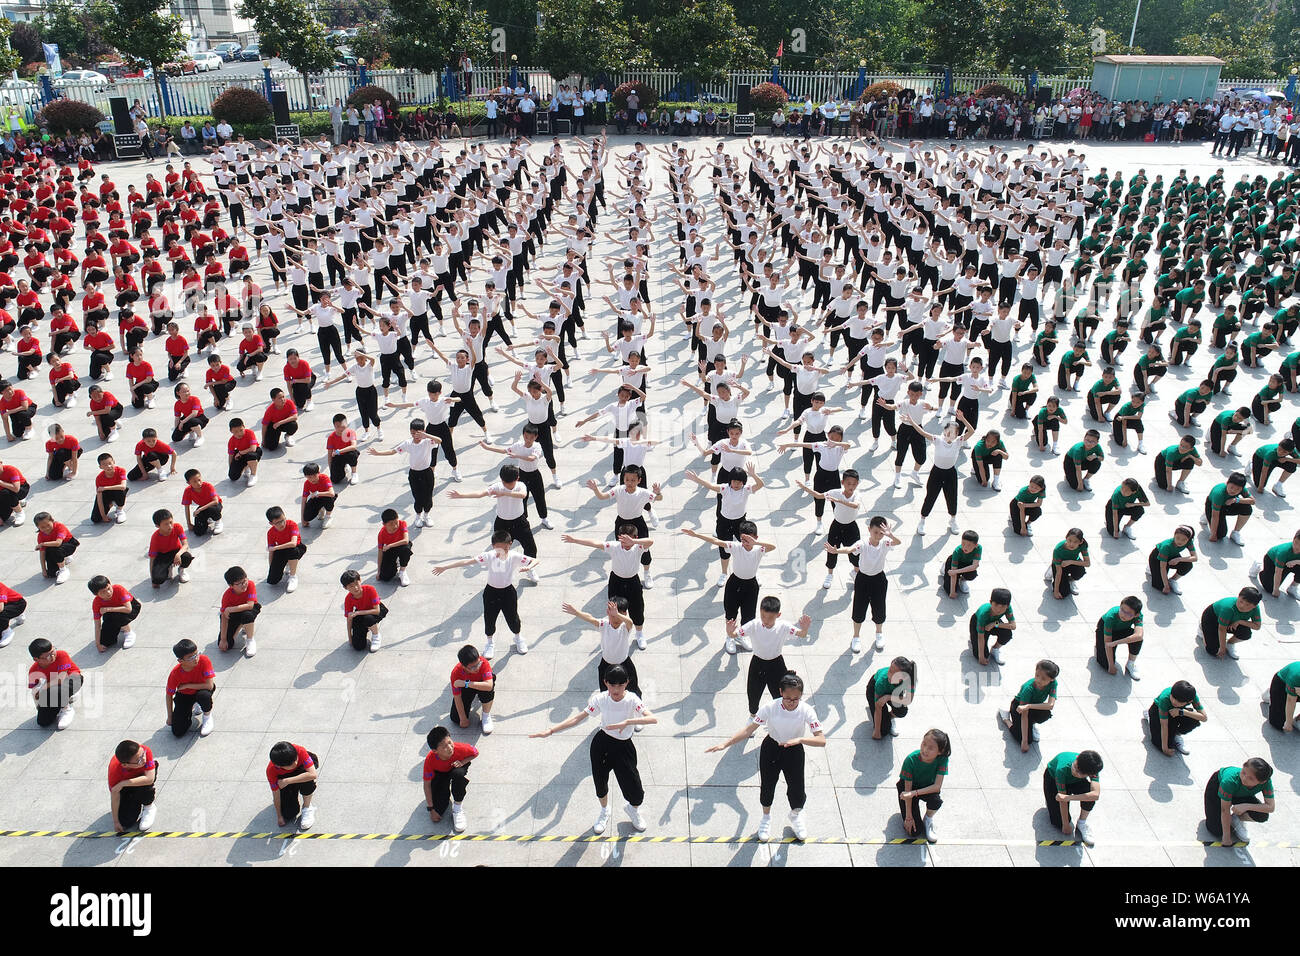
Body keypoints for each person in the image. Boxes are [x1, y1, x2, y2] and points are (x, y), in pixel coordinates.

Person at [529, 664, 657, 835]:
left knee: (636, 791)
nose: (616, 689)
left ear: (627, 683)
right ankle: (604, 811)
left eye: (620, 685)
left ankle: (632, 810)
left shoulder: (632, 699)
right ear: (605, 683)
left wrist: (628, 722)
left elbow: (653, 719)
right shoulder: (600, 699)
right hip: (602, 745)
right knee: (600, 784)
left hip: (624, 747)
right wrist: (551, 731)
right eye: (612, 685)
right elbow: (578, 718)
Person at [433, 530, 539, 658]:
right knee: (489, 619)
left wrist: (529, 567)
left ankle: (518, 638)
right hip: (491, 593)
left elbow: (535, 560)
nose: (502, 551)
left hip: (508, 592)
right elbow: (467, 562)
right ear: (493, 546)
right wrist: (445, 567)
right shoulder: (488, 556)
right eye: (499, 548)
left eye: (505, 548)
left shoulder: (514, 556)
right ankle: (490, 643)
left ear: (510, 544)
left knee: (513, 618)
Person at [827, 515, 901, 653]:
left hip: (879, 579)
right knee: (859, 609)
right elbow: (849, 549)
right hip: (863, 579)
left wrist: (890, 535)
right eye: (875, 532)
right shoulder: (863, 543)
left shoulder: (885, 542)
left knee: (879, 607)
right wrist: (836, 551)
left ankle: (879, 633)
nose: (878, 535)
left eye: (881, 533)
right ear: (869, 530)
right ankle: (856, 637)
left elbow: (898, 542)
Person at [562, 597, 642, 700]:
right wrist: (576, 612)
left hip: (624, 664)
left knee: (633, 690)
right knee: (606, 693)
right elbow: (590, 618)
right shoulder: (604, 625)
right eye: (612, 614)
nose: (615, 618)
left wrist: (616, 614)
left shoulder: (625, 627)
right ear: (607, 612)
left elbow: (630, 622)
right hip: (606, 665)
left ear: (624, 614)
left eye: (618, 615)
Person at [367, 419, 441, 527]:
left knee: (428, 496)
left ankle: (427, 515)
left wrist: (426, 435)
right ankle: (418, 516)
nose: (415, 435)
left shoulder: (428, 442)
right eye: (412, 433)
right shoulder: (408, 443)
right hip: (414, 474)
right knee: (418, 497)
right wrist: (378, 453)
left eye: (417, 433)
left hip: (427, 473)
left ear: (423, 431)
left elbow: (439, 440)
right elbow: (393, 451)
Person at [897, 728, 950, 843]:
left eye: (931, 748)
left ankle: (928, 819)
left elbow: (937, 787)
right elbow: (907, 793)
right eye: (924, 744)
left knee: (936, 801)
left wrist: (915, 793)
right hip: (908, 789)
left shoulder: (942, 759)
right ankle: (911, 814)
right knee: (914, 832)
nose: (925, 749)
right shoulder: (910, 760)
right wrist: (908, 817)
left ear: (940, 751)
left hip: (925, 788)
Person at [1205, 758, 1274, 845]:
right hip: (1218, 787)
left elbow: (1270, 807)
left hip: (1241, 794)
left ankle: (1236, 818)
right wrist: (1226, 837)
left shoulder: (1266, 782)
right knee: (1217, 831)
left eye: (1251, 778)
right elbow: (1224, 810)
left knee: (1262, 815)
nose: (1244, 778)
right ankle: (1227, 821)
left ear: (1262, 782)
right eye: (1243, 773)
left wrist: (1246, 806)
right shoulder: (1229, 781)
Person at [423, 726, 477, 833]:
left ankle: (457, 807)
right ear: (435, 751)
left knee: (458, 775)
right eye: (444, 747)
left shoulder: (461, 748)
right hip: (441, 772)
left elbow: (475, 753)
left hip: (456, 767)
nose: (450, 747)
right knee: (438, 813)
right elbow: (427, 784)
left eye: (449, 742)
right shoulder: (430, 760)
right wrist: (431, 809)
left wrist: (463, 762)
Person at [999, 659, 1059, 753]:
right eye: (1037, 675)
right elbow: (1024, 715)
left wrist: (1029, 706)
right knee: (1023, 738)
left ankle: (1031, 725)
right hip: (1018, 708)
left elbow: (1050, 705)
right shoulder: (1028, 688)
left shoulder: (1053, 683)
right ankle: (1006, 719)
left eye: (1043, 678)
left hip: (1030, 706)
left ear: (1052, 679)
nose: (1038, 680)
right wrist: (1024, 741)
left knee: (1046, 714)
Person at [1044, 750, 1102, 844]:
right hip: (1053, 779)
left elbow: (1095, 795)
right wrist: (1065, 824)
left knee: (1089, 794)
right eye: (1075, 767)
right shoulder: (1062, 769)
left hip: (1075, 782)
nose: (1075, 772)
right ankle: (1049, 798)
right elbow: (1061, 799)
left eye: (1080, 773)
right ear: (1077, 759)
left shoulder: (1092, 768)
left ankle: (1082, 823)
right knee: (1058, 822)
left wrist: (1069, 798)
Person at [27, 637, 81, 730]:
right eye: (48, 656)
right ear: (36, 659)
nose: (53, 656)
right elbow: (34, 691)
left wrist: (43, 689)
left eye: (53, 651)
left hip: (72, 679)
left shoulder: (61, 655)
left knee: (56, 689)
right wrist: (40, 707)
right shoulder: (33, 670)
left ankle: (67, 708)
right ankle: (59, 704)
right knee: (43, 722)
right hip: (52, 687)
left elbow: (60, 680)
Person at [165, 638, 214, 738]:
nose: (196, 659)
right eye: (191, 657)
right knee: (178, 732)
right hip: (185, 695)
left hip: (202, 690)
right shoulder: (175, 673)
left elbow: (209, 685)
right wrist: (170, 717)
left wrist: (187, 685)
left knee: (204, 696)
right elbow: (169, 695)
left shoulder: (204, 660)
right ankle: (191, 709)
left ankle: (207, 716)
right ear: (180, 661)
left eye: (196, 654)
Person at [267, 741, 320, 831]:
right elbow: (276, 795)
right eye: (291, 764)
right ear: (279, 766)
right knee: (289, 814)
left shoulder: (300, 750)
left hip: (296, 774)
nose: (295, 763)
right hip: (283, 779)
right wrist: (279, 816)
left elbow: (313, 774)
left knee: (308, 780)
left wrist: (287, 781)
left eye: (295, 758)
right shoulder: (271, 770)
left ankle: (307, 807)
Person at [108, 740, 158, 833]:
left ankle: (149, 806)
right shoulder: (115, 772)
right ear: (125, 765)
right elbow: (115, 796)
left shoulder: (145, 751)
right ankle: (134, 801)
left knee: (145, 784)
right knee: (125, 822)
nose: (144, 759)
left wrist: (123, 783)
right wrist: (116, 821)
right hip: (125, 788)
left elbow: (150, 778)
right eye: (139, 760)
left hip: (139, 781)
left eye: (143, 754)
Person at [1199, 586, 1261, 659]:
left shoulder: (1255, 609)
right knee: (1213, 651)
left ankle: (1230, 643)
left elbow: (1257, 626)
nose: (1242, 606)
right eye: (1241, 601)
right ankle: (1202, 627)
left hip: (1232, 622)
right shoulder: (1228, 608)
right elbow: (1222, 629)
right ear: (1238, 597)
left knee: (1245, 634)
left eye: (1247, 605)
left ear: (1254, 606)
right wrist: (1222, 648)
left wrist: (1239, 621)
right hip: (1212, 619)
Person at [1148, 679, 1207, 755]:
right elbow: (1164, 725)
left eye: (1180, 701)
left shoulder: (1192, 697)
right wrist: (1165, 748)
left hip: (1177, 712)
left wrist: (1182, 712)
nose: (1174, 702)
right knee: (1159, 743)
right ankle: (1150, 718)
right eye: (1173, 697)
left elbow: (1204, 718)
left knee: (1194, 720)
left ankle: (1176, 734)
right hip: (1158, 710)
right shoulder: (1165, 698)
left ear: (1189, 701)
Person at [867, 655, 916, 740]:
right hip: (874, 688)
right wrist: (877, 731)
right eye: (890, 670)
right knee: (883, 731)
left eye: (894, 674)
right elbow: (878, 707)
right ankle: (883, 718)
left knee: (902, 711)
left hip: (892, 693)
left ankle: (889, 717)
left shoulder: (909, 680)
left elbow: (908, 700)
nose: (890, 675)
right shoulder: (881, 681)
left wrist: (888, 697)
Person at [1095, 596, 1144, 678]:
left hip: (1123, 629)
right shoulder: (1110, 616)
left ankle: (1130, 663)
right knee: (1105, 664)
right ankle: (1098, 646)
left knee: (1137, 639)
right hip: (1106, 630)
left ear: (1136, 615)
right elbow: (1108, 643)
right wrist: (1111, 665)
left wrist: (1116, 642)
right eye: (1122, 610)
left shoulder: (1139, 616)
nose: (1123, 614)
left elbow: (1139, 636)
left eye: (1129, 613)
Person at [88, 574, 139, 652]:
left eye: (108, 588)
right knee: (104, 642)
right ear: (96, 594)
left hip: (131, 607)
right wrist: (98, 644)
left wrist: (108, 609)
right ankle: (120, 627)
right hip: (111, 613)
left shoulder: (118, 589)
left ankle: (128, 632)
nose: (108, 592)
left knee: (118, 616)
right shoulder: (96, 603)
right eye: (103, 592)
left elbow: (128, 609)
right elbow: (97, 625)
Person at [341, 568, 386, 652]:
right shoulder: (348, 599)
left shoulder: (370, 589)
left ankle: (376, 635)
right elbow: (349, 618)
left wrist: (358, 612)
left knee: (368, 619)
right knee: (358, 646)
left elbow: (377, 610)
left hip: (375, 610)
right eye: (351, 586)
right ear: (345, 588)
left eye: (356, 583)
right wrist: (350, 637)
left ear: (360, 580)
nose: (355, 588)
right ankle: (367, 627)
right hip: (362, 613)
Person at [1203, 471, 1254, 545]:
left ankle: (1236, 532)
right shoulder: (1219, 493)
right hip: (1213, 506)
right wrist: (1213, 535)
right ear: (1227, 483)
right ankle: (1207, 515)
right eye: (1231, 487)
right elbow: (1215, 516)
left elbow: (1252, 501)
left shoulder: (1242, 489)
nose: (1233, 491)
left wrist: (1236, 500)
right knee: (1220, 535)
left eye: (1237, 489)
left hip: (1229, 504)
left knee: (1247, 508)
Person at [969, 587, 1015, 666]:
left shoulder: (1008, 608)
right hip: (977, 622)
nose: (998, 609)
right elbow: (981, 637)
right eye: (996, 604)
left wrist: (994, 624)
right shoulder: (984, 614)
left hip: (994, 622)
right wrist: (981, 657)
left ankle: (995, 649)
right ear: (991, 602)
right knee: (982, 655)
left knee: (1007, 634)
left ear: (1007, 606)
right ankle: (973, 638)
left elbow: (1013, 626)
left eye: (1003, 606)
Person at [1148, 525, 1197, 595]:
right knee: (1160, 586)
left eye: (1184, 540)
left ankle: (1172, 580)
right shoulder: (1166, 546)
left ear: (1189, 539)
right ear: (1174, 536)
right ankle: (1151, 567)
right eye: (1178, 538)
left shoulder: (1189, 542)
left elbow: (1195, 558)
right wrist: (1166, 585)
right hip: (1157, 558)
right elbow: (1163, 567)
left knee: (1188, 564)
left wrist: (1179, 559)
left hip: (1172, 556)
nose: (1180, 541)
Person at [1253, 531, 1300, 598]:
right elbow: (1278, 572)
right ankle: (1259, 566)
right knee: (1270, 588)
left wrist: (1296, 561)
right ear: (1293, 539)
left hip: (1289, 563)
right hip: (1272, 561)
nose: (1297, 547)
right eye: (1296, 542)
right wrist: (1276, 589)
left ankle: (1293, 587)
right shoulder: (1283, 552)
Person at [1046, 527, 1090, 600]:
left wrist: (1070, 562)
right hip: (1060, 564)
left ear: (1080, 542)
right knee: (1063, 593)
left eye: (1075, 542)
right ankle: (1052, 571)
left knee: (1081, 571)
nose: (1072, 544)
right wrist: (1056, 591)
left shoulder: (1083, 545)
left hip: (1071, 562)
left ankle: (1070, 580)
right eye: (1069, 540)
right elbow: (1059, 572)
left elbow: (1087, 563)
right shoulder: (1058, 549)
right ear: (1066, 538)